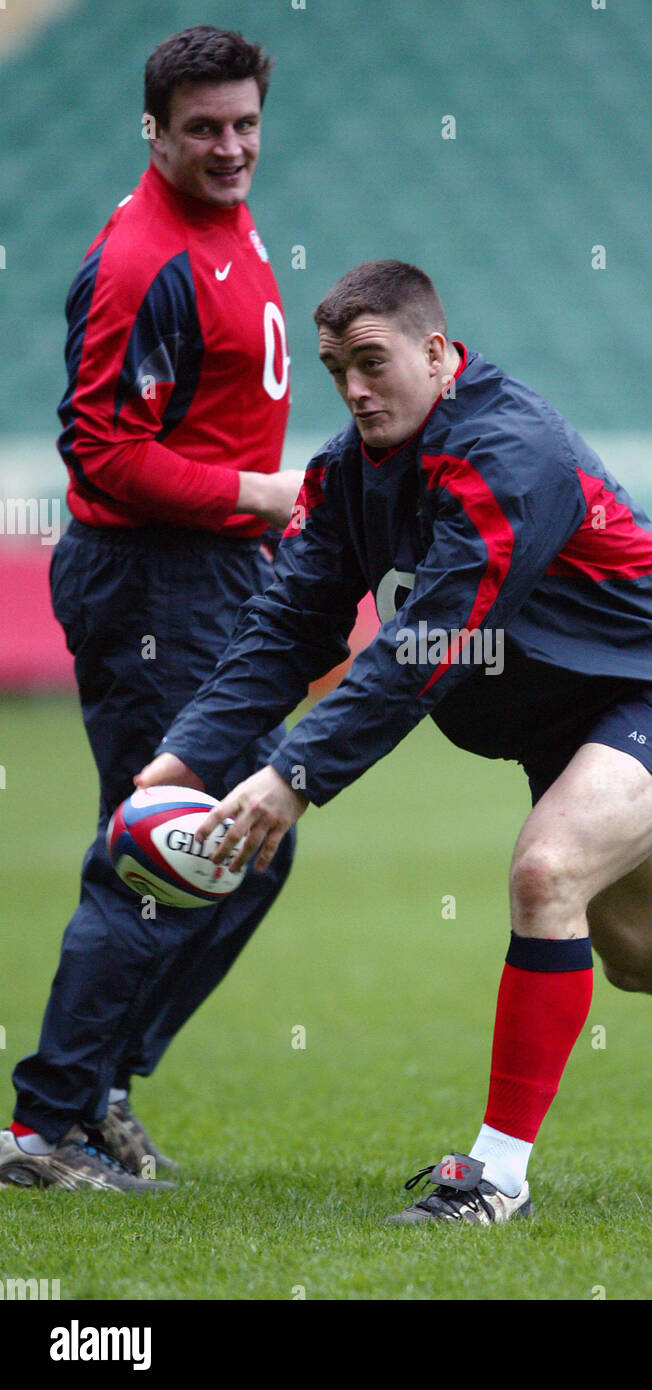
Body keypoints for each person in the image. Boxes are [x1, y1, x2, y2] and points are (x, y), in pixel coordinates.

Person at [138, 259, 652, 1222]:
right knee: (648, 953)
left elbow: (425, 644)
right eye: (337, 370)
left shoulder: (507, 451)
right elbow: (286, 625)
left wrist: (293, 775)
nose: (356, 388)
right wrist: (178, 763)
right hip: (569, 729)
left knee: (547, 872)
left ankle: (495, 1178)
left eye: (374, 360)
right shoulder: (343, 472)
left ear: (438, 352)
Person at [0, 27, 304, 1193]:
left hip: (214, 577)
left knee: (248, 847)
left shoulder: (228, 224)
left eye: (245, 125)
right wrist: (260, 492)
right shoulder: (141, 259)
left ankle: (95, 1091)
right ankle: (44, 1129)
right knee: (158, 849)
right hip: (149, 580)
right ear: (153, 129)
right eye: (203, 129)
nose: (231, 148)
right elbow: (99, 451)